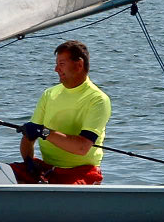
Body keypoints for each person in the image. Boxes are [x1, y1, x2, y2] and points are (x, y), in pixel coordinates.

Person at [11, 40, 111, 185]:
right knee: (0, 172)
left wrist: (44, 132)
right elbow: (29, 138)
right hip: (46, 169)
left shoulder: (98, 99)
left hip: (81, 172)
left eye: (61, 64)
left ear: (79, 65)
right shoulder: (49, 94)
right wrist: (28, 161)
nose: (56, 69)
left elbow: (82, 147)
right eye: (57, 64)